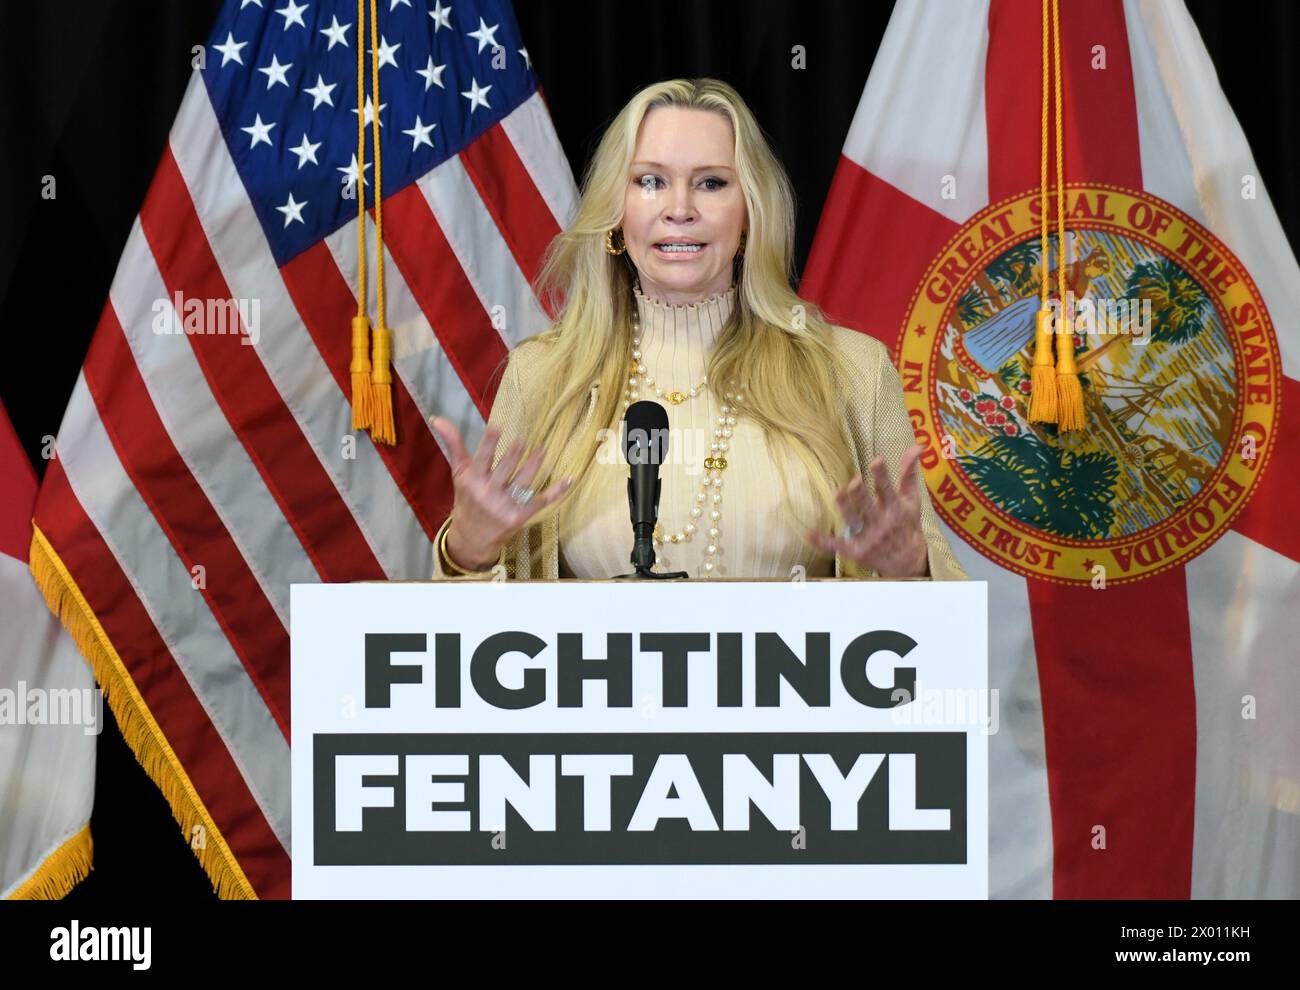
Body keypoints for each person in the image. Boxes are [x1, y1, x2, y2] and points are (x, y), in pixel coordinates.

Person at [430, 77, 966, 583]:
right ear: (616, 214)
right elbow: (466, 647)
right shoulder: (544, 376)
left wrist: (912, 571)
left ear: (750, 212)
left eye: (711, 183)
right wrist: (468, 551)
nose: (679, 209)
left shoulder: (853, 370)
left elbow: (944, 623)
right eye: (650, 181)